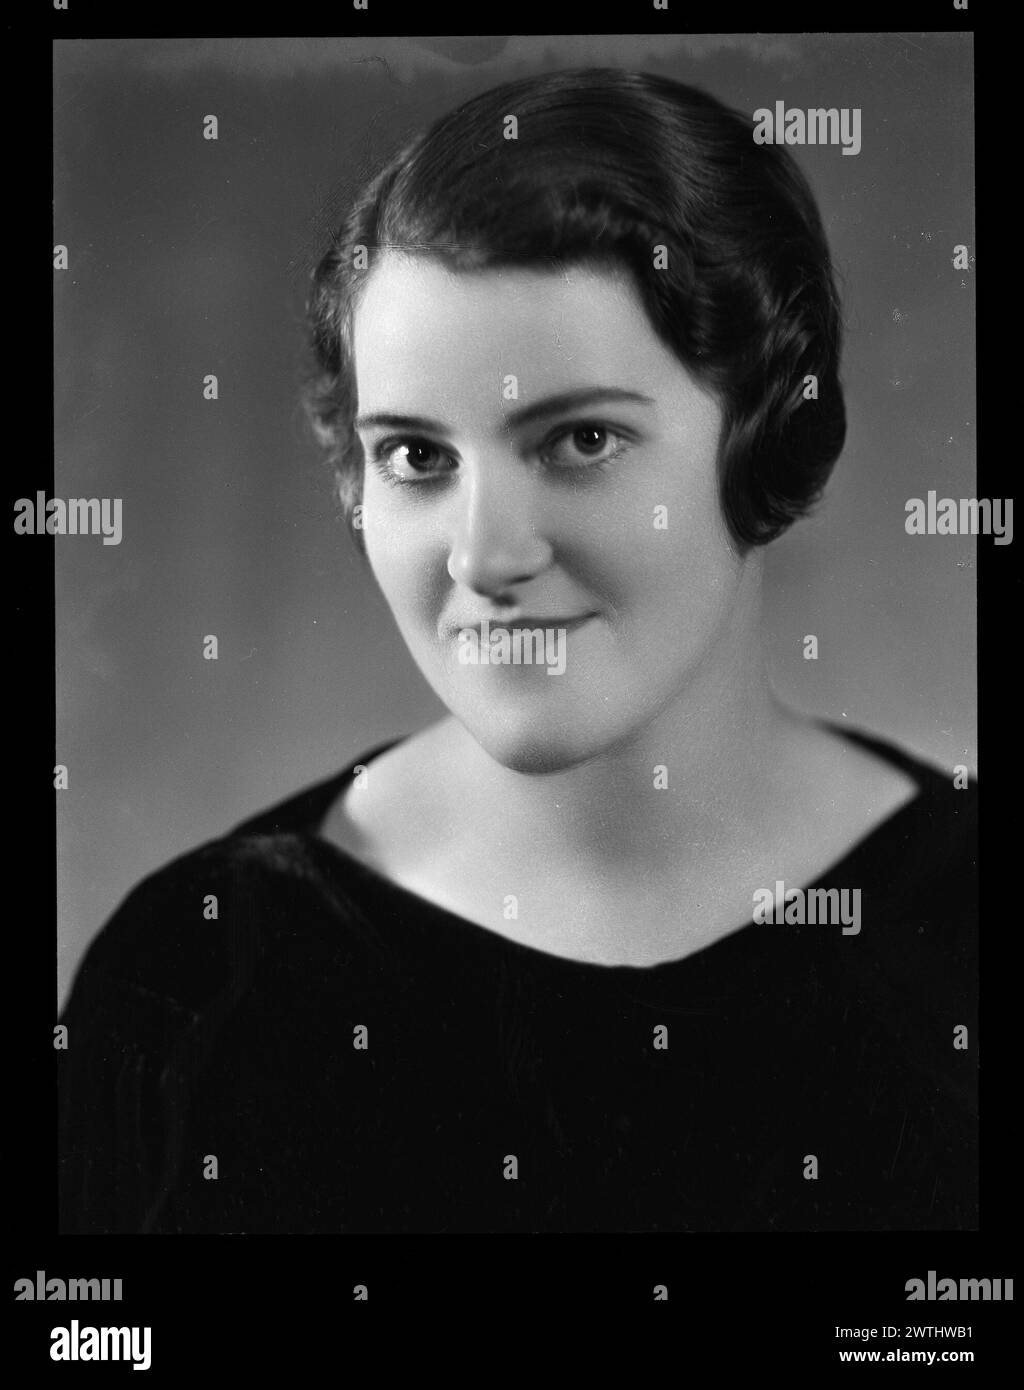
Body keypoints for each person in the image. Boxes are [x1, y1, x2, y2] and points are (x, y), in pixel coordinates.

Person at [58, 67, 977, 1234]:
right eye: (416, 458)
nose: (484, 556)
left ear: (770, 437)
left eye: (580, 438)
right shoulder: (190, 980)